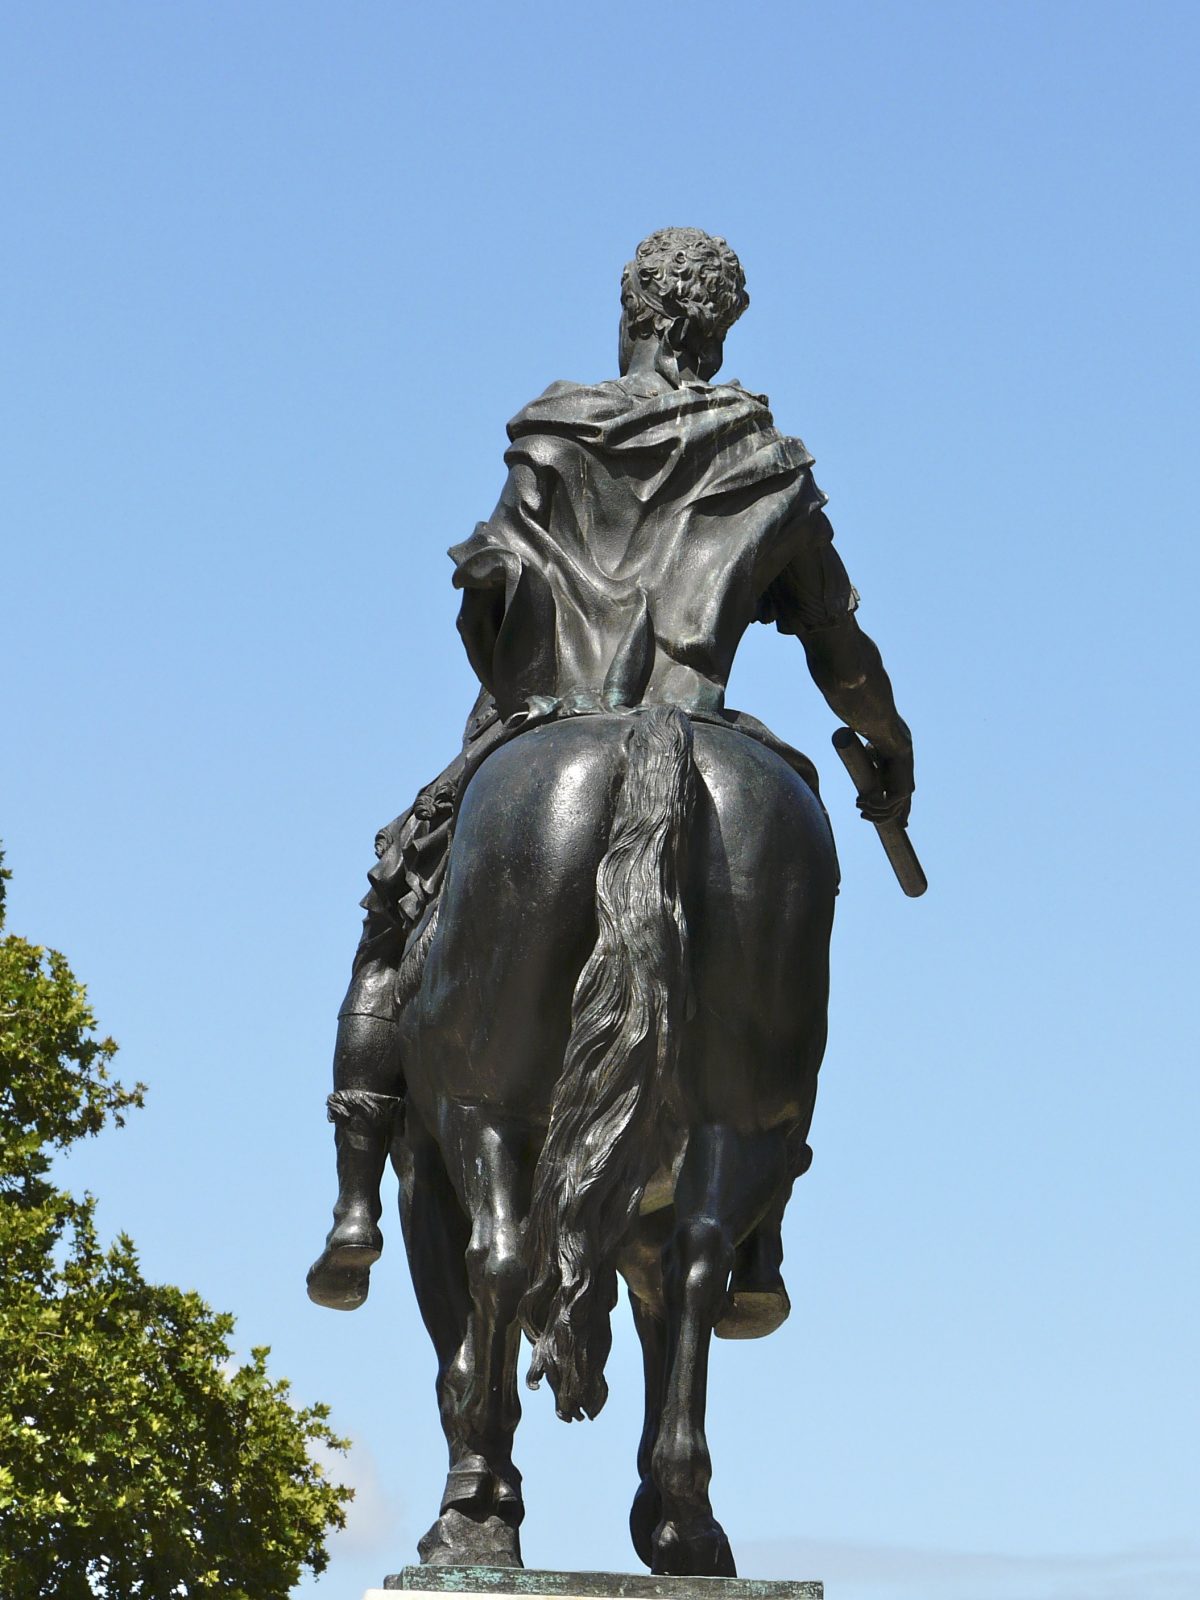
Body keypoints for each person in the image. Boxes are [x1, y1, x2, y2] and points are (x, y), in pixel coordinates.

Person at [307, 227, 913, 1325]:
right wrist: (894, 744)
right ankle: (761, 1238)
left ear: (632, 310)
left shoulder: (550, 433)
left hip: (541, 718)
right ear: (719, 332)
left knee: (390, 918)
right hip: (704, 714)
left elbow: (487, 602)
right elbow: (844, 657)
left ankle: (355, 1203)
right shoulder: (767, 458)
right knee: (789, 907)